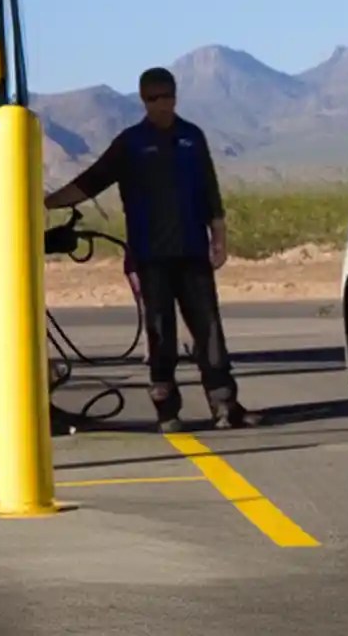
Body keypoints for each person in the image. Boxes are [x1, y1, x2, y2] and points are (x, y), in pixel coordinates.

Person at [45, 67, 262, 432]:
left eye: (168, 96)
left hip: (192, 252)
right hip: (150, 257)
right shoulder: (130, 144)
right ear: (143, 100)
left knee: (208, 330)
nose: (162, 103)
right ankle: (167, 410)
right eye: (154, 97)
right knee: (161, 333)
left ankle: (225, 405)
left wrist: (219, 237)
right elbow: (91, 181)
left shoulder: (192, 137)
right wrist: (45, 202)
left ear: (176, 96)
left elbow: (210, 190)